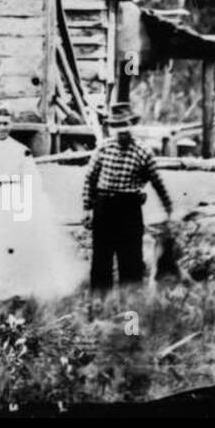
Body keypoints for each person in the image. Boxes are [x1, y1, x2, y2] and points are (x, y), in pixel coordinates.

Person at [0, 105, 84, 305]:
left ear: (11, 125)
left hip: (13, 205)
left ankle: (14, 291)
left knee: (13, 246)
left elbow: (32, 181)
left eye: (6, 123)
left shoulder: (21, 151)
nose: (2, 128)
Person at [83, 101, 176, 293]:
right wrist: (87, 209)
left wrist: (169, 210)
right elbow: (90, 179)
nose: (122, 130)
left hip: (129, 209)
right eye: (117, 126)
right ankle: (100, 310)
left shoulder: (143, 151)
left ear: (132, 125)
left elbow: (157, 182)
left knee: (131, 261)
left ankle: (130, 308)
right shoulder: (103, 148)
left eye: (125, 125)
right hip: (104, 206)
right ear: (111, 128)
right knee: (101, 260)